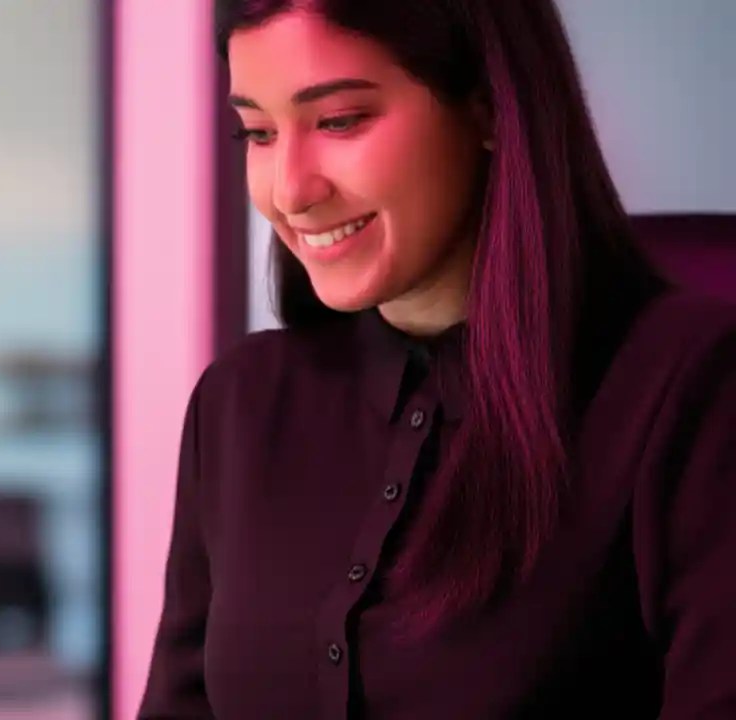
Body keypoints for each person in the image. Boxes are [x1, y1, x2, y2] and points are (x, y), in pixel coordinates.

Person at [138, 1, 736, 718]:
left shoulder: (694, 385)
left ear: (486, 106)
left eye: (339, 121)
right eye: (258, 133)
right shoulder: (240, 402)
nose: (291, 190)